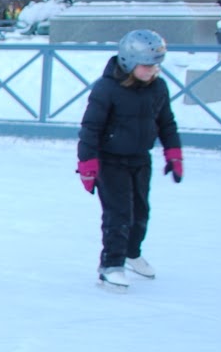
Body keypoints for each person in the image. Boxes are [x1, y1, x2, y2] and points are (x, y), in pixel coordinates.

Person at [76, 29, 181, 292]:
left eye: (156, 66)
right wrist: (87, 164)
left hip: (140, 159)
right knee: (118, 214)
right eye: (146, 66)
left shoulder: (158, 87)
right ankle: (111, 265)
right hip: (110, 161)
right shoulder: (107, 88)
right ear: (129, 61)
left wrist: (173, 152)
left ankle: (132, 253)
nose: (152, 71)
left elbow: (166, 122)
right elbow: (90, 127)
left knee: (141, 212)